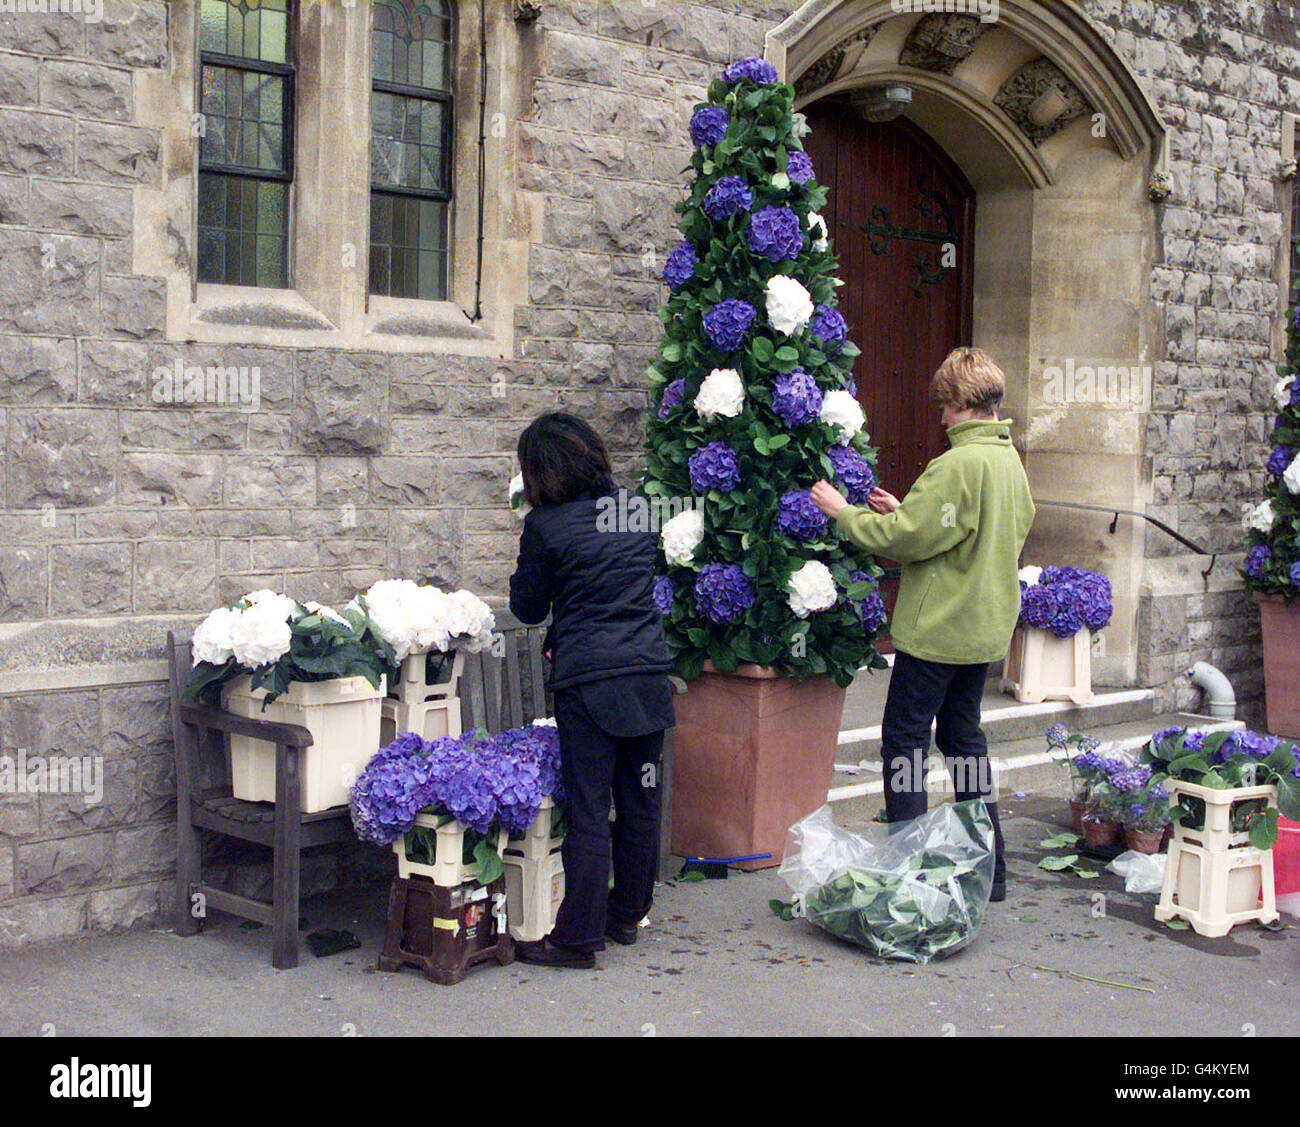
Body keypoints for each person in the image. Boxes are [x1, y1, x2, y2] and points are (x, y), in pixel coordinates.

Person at [810, 347, 1035, 901]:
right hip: (982, 629)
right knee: (965, 742)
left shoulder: (957, 464)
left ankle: (906, 862)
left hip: (937, 630)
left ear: (963, 401)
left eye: (946, 407)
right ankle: (992, 869)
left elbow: (904, 541)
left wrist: (843, 511)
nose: (941, 418)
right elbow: (966, 531)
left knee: (905, 745)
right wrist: (907, 511)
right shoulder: (1008, 461)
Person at [508, 412, 675, 968]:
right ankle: (626, 914)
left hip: (590, 685)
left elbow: (527, 607)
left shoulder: (546, 527)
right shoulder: (636, 510)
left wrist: (531, 533)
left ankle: (577, 939)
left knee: (587, 812)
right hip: (648, 676)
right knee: (640, 804)